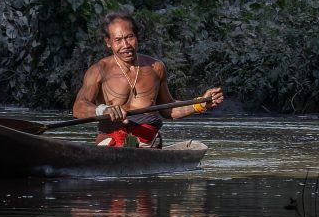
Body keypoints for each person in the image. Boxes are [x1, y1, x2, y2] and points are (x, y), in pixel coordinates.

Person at [71, 14, 223, 147]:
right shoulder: (99, 70)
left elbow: (168, 110)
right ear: (108, 42)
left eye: (129, 37)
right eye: (118, 40)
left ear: (137, 36)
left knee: (143, 146)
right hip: (110, 142)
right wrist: (103, 110)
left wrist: (199, 104)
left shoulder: (156, 68)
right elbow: (78, 108)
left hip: (147, 143)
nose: (125, 45)